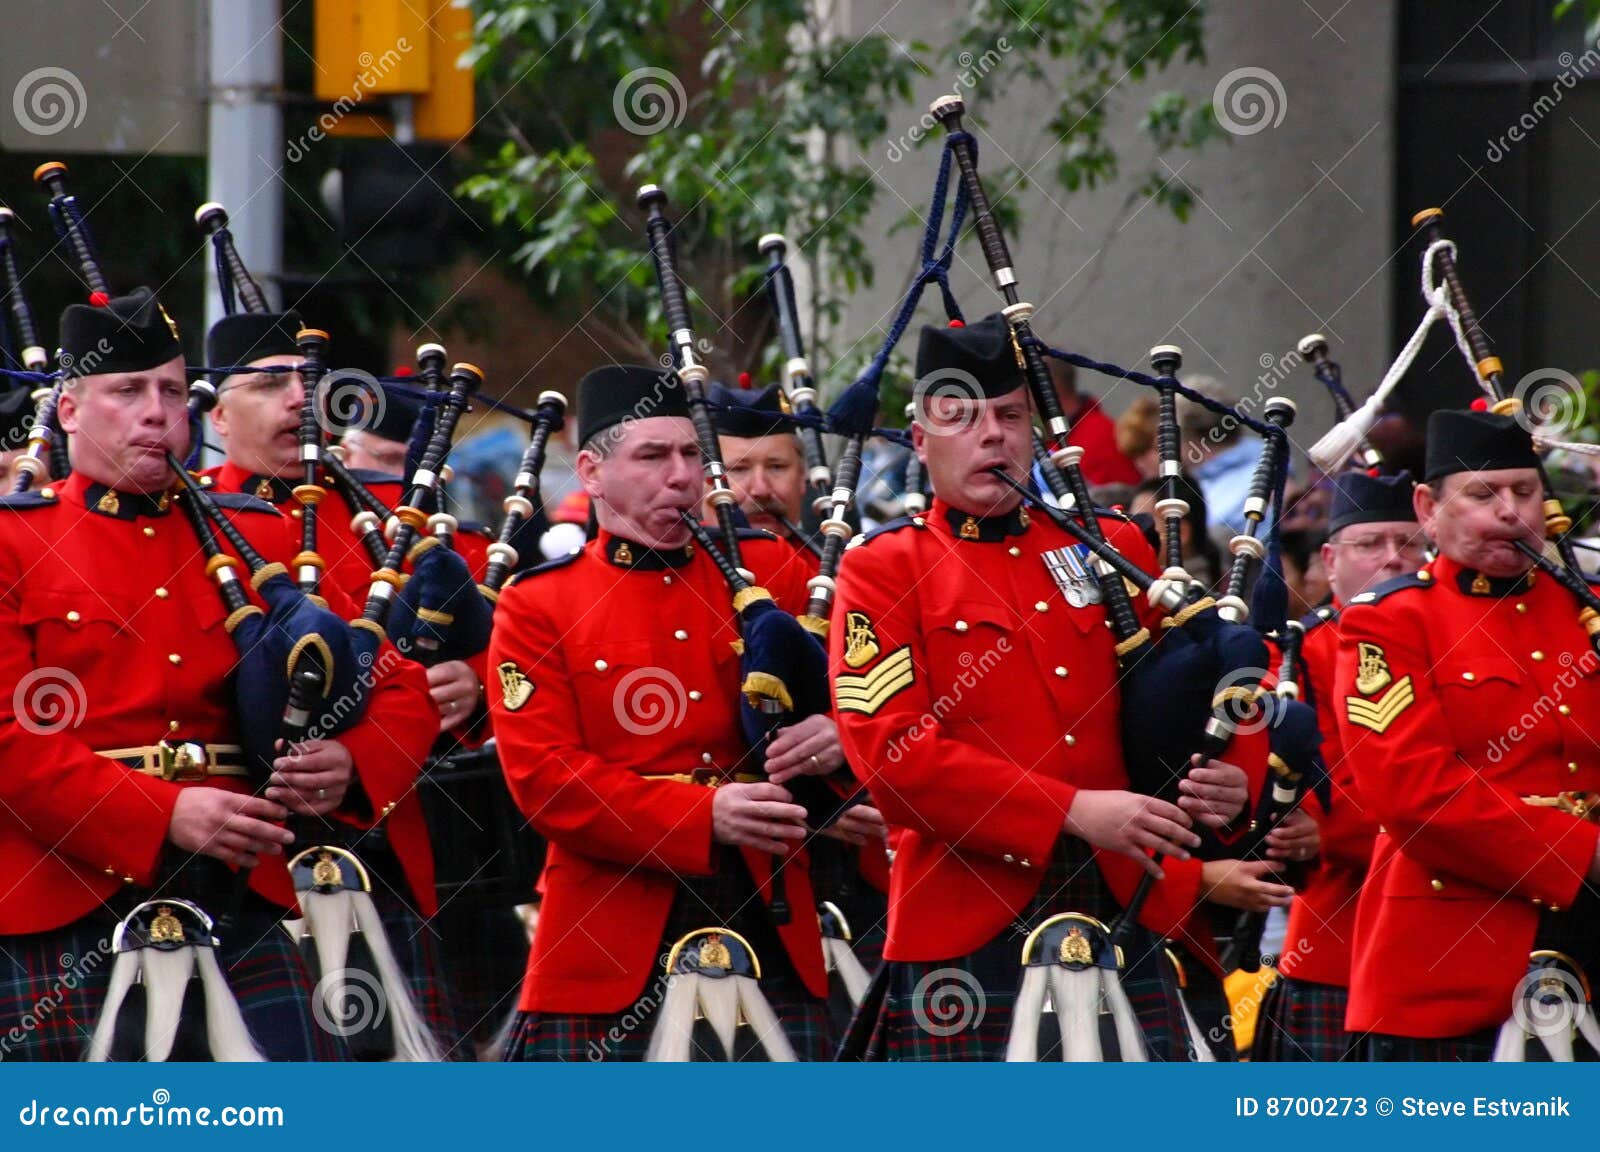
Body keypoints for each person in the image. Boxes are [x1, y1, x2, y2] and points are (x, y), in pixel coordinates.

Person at [0, 288, 437, 1060]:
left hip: (243, 890)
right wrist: (162, 812)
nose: (154, 413)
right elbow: (8, 742)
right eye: (126, 391)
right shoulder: (14, 541)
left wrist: (351, 760)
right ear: (68, 411)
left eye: (171, 392)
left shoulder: (257, 537)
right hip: (59, 894)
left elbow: (393, 677)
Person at [830, 314, 1252, 1060]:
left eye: (1010, 415)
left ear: (1034, 430)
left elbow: (1198, 696)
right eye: (962, 418)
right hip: (966, 918)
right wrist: (1072, 810)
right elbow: (892, 759)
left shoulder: (1113, 545)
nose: (993, 435)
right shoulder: (884, 570)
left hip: (1127, 905)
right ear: (920, 442)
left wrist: (1229, 779)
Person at [487, 364, 835, 1060]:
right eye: (651, 456)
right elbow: (546, 780)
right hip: (606, 943)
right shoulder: (536, 605)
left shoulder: (778, 575)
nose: (682, 476)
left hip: (769, 918)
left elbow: (865, 710)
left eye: (690, 454)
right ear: (591, 471)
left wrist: (838, 737)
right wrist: (705, 815)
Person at [202, 309, 465, 1050]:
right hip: (234, 864)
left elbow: (412, 674)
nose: (297, 399)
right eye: (270, 383)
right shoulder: (189, 520)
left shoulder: (380, 524)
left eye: (308, 381)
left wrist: (357, 760)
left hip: (371, 850)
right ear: (219, 414)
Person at [1336, 410, 1600, 1060]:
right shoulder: (1390, 623)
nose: (1510, 512)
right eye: (1483, 494)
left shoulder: (1583, 610)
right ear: (1428, 508)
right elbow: (1413, 796)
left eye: (1525, 491)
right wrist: (1584, 856)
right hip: (1450, 969)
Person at [708, 379, 891, 985]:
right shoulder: (686, 574)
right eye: (739, 468)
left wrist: (852, 756)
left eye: (776, 466)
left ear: (803, 473)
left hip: (859, 864)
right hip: (732, 862)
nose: (759, 488)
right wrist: (813, 807)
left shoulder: (860, 570)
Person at [1252, 469, 1422, 1061]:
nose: (1393, 559)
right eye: (1370, 543)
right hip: (1337, 948)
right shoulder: (1300, 653)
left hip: (1458, 948)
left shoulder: (1457, 640)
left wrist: (1330, 827)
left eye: (1410, 542)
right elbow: (1295, 804)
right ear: (1328, 560)